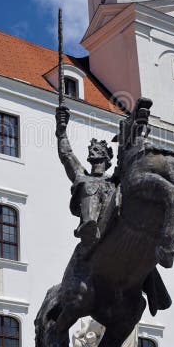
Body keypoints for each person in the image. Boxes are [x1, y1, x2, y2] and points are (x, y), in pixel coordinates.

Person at [55, 105, 115, 247]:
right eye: (90, 149)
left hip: (112, 215)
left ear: (105, 157)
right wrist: (61, 132)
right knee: (88, 184)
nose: (91, 150)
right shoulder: (82, 175)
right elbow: (66, 155)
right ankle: (88, 226)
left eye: (96, 149)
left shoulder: (114, 180)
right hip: (94, 226)